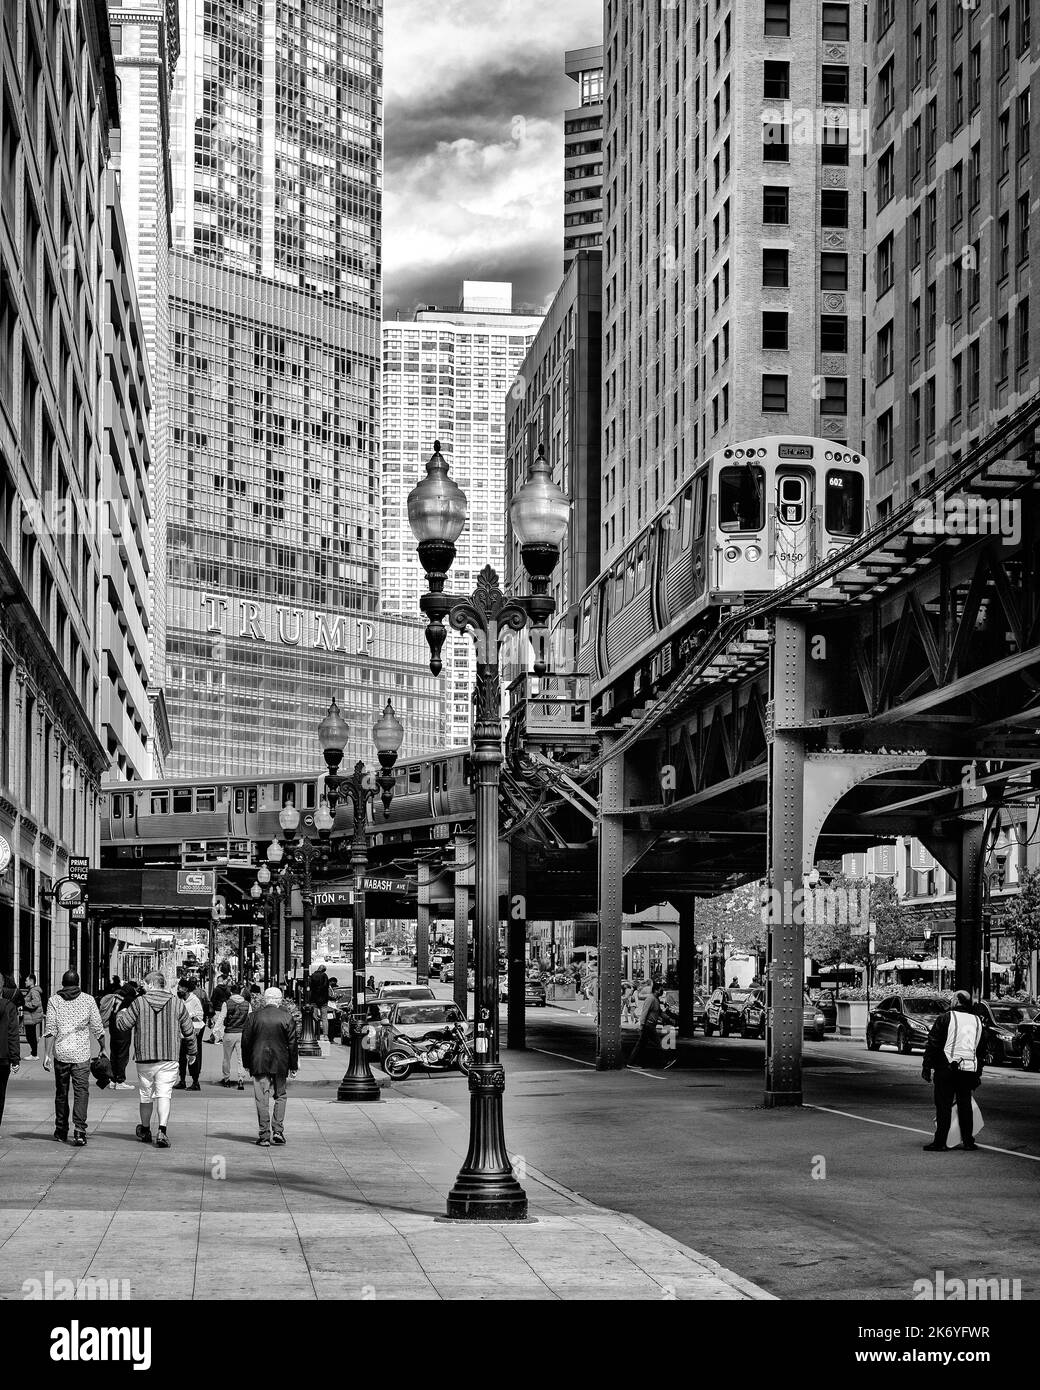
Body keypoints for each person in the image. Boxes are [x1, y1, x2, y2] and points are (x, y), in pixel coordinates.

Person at [116, 970, 196, 1148]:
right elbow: (189, 1030)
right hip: (169, 1056)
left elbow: (123, 1025)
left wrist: (121, 1012)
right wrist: (192, 1052)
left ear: (152, 984)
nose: (142, 987)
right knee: (164, 1094)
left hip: (145, 1057)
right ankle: (162, 1130)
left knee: (146, 1095)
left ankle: (145, 1129)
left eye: (144, 983)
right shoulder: (177, 1003)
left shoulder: (139, 1003)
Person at [42, 969, 105, 1146]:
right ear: (78, 983)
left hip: (61, 1054)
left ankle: (61, 1130)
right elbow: (98, 1027)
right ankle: (79, 1131)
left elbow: (50, 1030)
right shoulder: (88, 999)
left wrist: (47, 1054)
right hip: (81, 1055)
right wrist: (103, 1047)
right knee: (81, 1092)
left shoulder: (54, 1000)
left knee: (61, 1093)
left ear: (63, 983)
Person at [922, 990, 986, 1152]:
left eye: (952, 998)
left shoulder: (946, 1018)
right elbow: (981, 1051)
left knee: (943, 1105)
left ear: (957, 1001)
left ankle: (941, 1142)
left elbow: (933, 1043)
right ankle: (968, 1142)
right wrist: (978, 1074)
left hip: (947, 1068)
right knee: (965, 1105)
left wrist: (927, 1066)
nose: (951, 1000)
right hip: (968, 1070)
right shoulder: (977, 1021)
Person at [242, 986, 299, 1146]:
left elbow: (245, 1042)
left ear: (265, 999)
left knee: (262, 1098)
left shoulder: (253, 1017)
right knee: (280, 1095)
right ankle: (278, 1130)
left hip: (258, 1061)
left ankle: (264, 1134)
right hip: (280, 1062)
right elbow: (293, 1044)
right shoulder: (287, 1017)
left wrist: (247, 1063)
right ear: (279, 1000)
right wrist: (293, 1065)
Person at [105, 983, 138, 1090]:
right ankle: (120, 1080)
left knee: (114, 1054)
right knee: (122, 1055)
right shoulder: (129, 999)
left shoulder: (116, 996)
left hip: (112, 1028)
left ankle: (113, 1080)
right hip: (122, 1028)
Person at [628, 982, 668, 1068]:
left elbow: (659, 1013)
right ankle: (662, 1062)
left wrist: (669, 1019)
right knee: (658, 1044)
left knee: (641, 1045)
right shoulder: (651, 999)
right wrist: (641, 1025)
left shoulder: (656, 999)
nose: (662, 991)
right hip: (648, 1026)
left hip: (650, 1026)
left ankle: (632, 1062)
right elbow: (644, 1012)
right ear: (656, 990)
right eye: (661, 989)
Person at [174, 980, 205, 1091]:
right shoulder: (180, 1000)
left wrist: (188, 1016)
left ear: (186, 989)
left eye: (180, 988)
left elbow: (200, 1016)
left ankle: (195, 1082)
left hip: (192, 1034)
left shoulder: (194, 1000)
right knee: (181, 1058)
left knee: (192, 1058)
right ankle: (182, 1080)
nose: (178, 990)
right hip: (181, 1034)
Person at [219, 981, 250, 1089]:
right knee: (241, 1058)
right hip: (242, 1034)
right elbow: (250, 1019)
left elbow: (221, 1018)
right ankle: (241, 1080)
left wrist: (215, 1032)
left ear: (231, 992)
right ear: (240, 992)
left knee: (226, 1058)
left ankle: (226, 1079)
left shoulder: (227, 1003)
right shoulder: (247, 1004)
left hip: (229, 1034)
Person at [0, 986, 20, 1128]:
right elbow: (13, 1033)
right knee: (0, 1094)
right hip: (2, 1057)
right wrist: (15, 1058)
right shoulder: (9, 1007)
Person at [20, 974, 43, 1058]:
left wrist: (24, 1003)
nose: (25, 982)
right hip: (30, 1017)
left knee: (31, 1036)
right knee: (30, 1036)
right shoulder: (31, 990)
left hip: (31, 1018)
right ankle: (34, 1053)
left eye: (26, 980)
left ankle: (34, 1054)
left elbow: (35, 1003)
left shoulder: (33, 991)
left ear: (31, 981)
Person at [309, 963, 330, 1039]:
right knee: (324, 1018)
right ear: (324, 970)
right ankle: (325, 1035)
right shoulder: (325, 976)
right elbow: (326, 987)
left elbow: (310, 987)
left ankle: (313, 1035)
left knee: (314, 1017)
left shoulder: (312, 975)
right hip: (323, 999)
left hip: (314, 999)